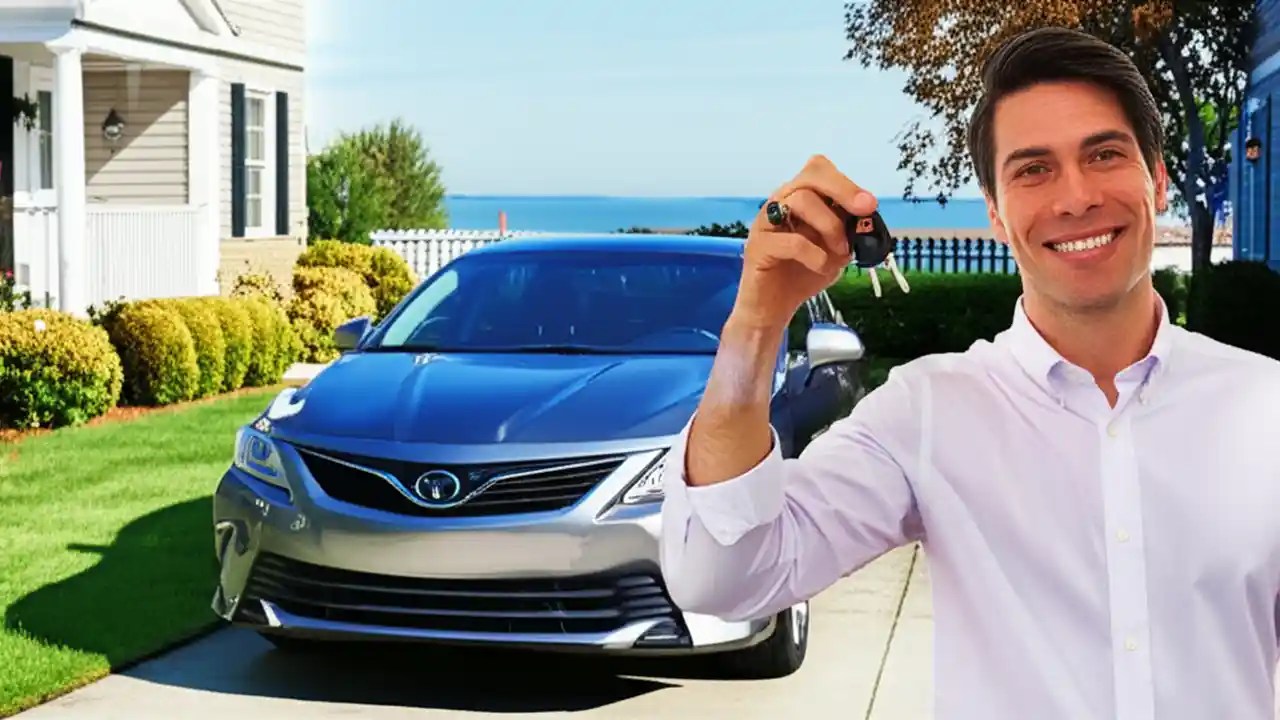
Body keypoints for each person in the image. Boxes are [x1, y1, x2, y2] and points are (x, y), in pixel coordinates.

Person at [658, 25, 1280, 720]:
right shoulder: (926, 412)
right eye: (1033, 169)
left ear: (1156, 180)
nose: (1075, 197)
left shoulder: (1265, 406)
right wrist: (758, 320)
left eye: (1103, 154)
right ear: (995, 211)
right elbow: (722, 577)